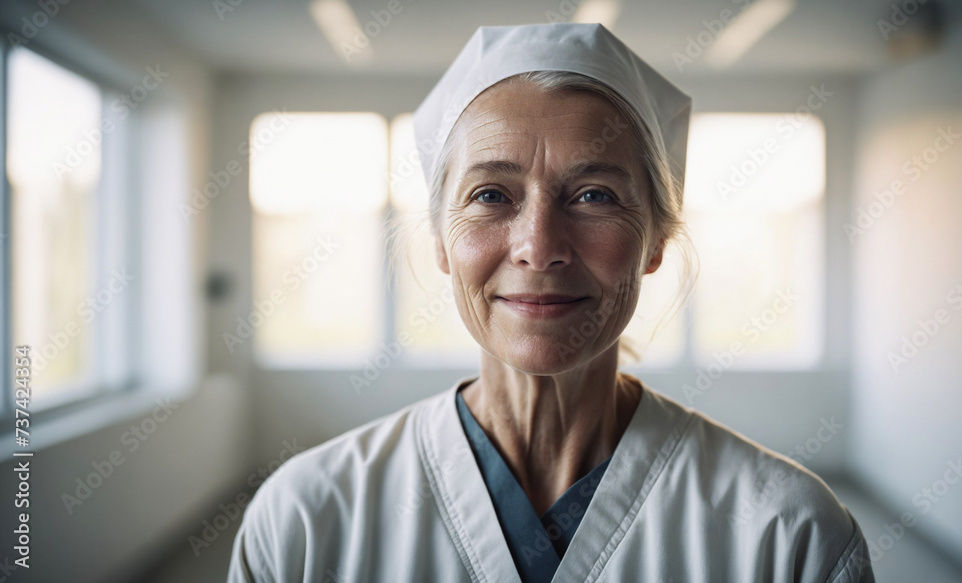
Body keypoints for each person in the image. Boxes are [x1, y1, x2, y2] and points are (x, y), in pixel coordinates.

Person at [227, 22, 875, 583]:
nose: (539, 247)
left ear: (655, 241)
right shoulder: (307, 519)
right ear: (441, 244)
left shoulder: (786, 534)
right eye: (490, 195)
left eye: (594, 194)